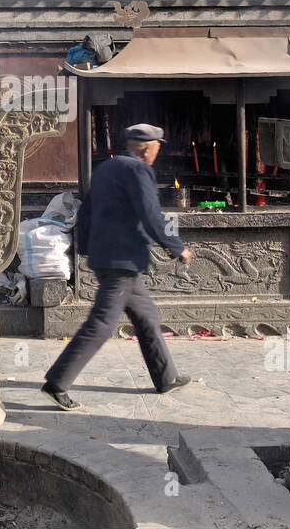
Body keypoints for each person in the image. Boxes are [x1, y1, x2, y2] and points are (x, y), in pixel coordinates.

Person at [41, 124, 193, 411]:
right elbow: (152, 215)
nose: (159, 149)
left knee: (146, 316)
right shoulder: (138, 170)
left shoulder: (106, 169)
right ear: (147, 148)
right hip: (122, 260)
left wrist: (85, 248)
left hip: (110, 256)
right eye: (158, 145)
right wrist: (176, 248)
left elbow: (85, 211)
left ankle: (166, 377)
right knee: (102, 323)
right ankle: (57, 382)